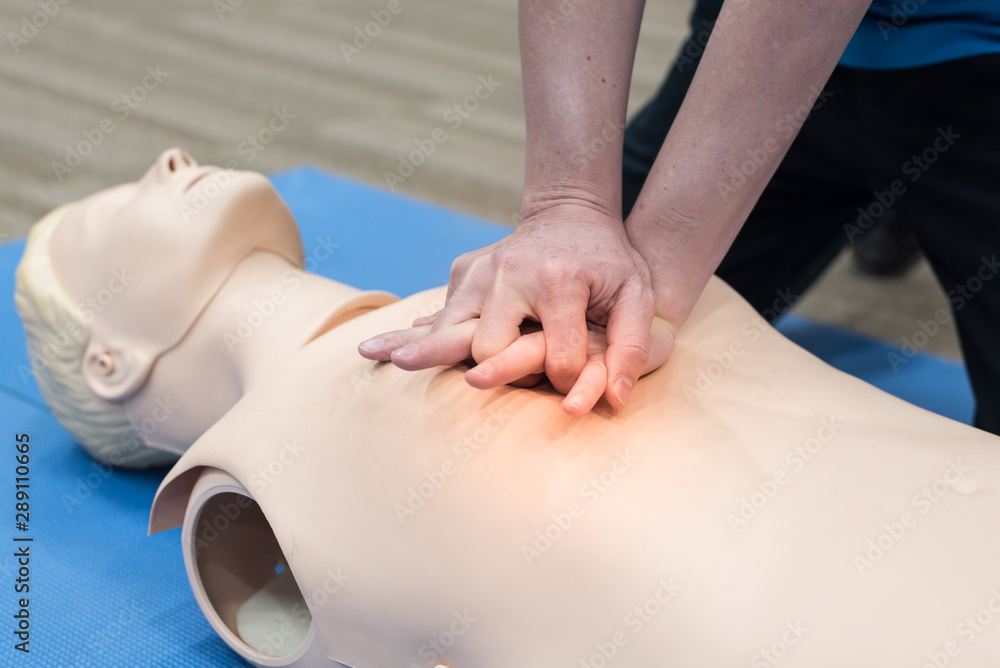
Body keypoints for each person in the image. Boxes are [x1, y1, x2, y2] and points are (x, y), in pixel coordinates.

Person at [16, 149, 1000, 666]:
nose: (173, 157)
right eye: (120, 201)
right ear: (113, 359)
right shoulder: (252, 491)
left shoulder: (518, 282)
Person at [360, 0, 1000, 435]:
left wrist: (655, 283)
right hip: (744, 40)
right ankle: (891, 216)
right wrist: (568, 207)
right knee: (587, 359)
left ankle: (897, 211)